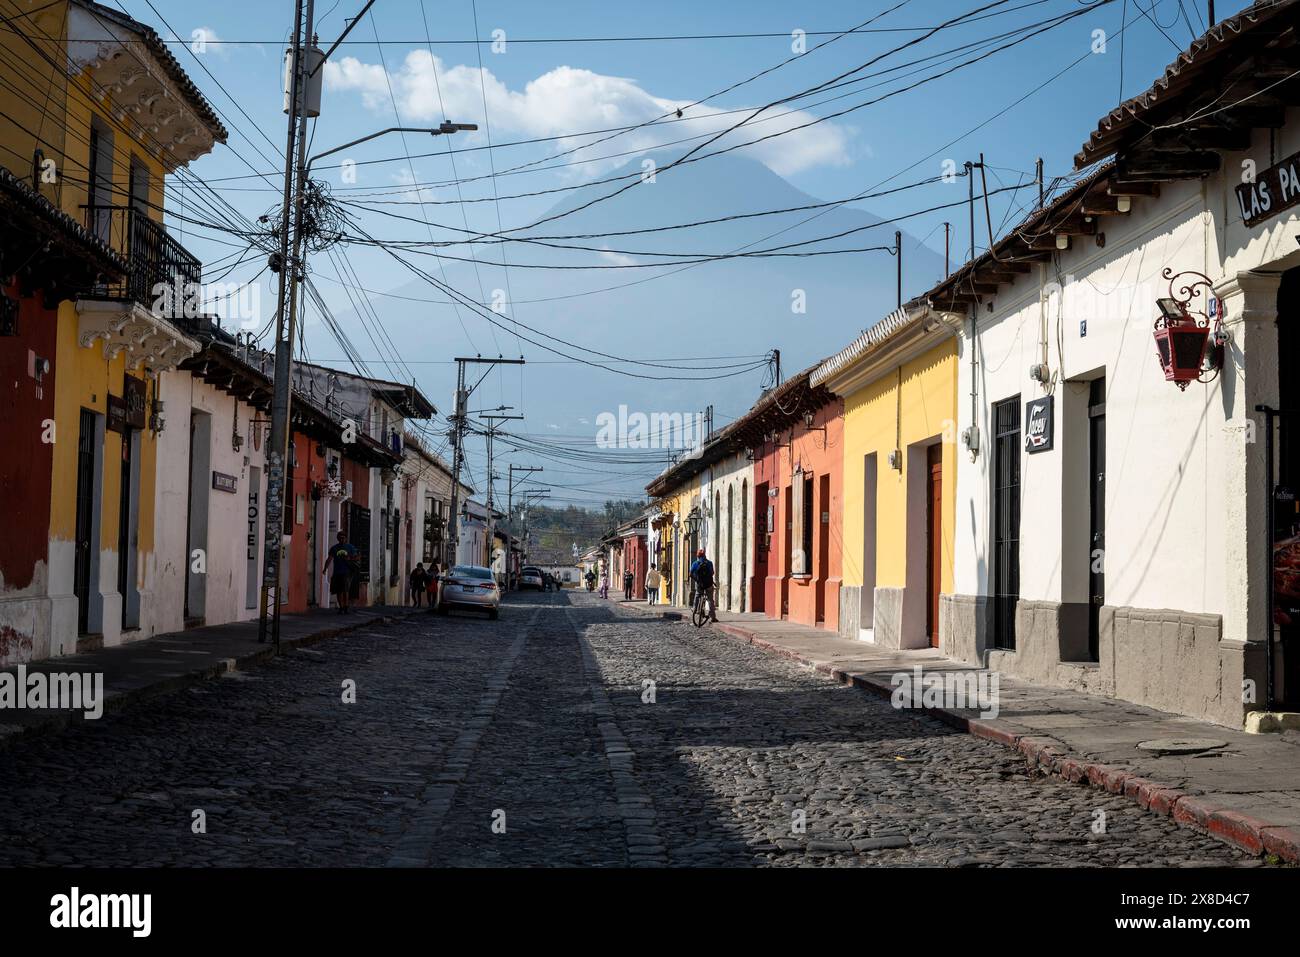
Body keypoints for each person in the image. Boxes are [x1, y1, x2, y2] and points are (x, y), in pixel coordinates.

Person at [322, 531, 359, 614]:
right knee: (338, 591)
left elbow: (357, 557)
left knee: (345, 590)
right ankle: (341, 607)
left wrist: (350, 558)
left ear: (346, 538)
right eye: (340, 537)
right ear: (338, 538)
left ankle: (346, 607)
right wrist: (325, 568)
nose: (342, 539)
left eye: (343, 537)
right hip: (337, 572)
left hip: (347, 572)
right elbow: (329, 559)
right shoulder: (334, 548)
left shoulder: (350, 547)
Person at [690, 548, 717, 622]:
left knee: (697, 595)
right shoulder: (709, 563)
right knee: (710, 600)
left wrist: (697, 580)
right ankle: (713, 617)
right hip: (708, 584)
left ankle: (694, 609)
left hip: (700, 585)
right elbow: (712, 573)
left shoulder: (695, 563)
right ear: (704, 555)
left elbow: (691, 574)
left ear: (698, 556)